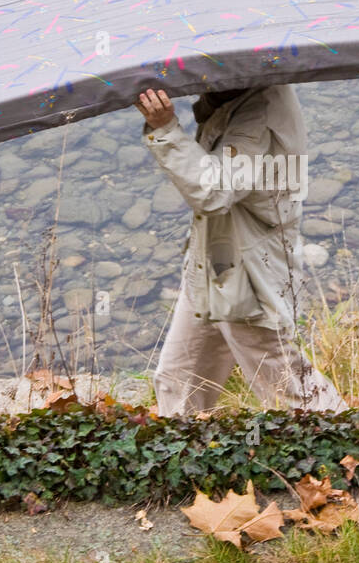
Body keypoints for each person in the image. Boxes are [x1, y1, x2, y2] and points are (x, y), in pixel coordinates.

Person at [135, 84, 346, 416]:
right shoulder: (238, 92)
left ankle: (354, 452)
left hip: (246, 274)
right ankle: (176, 456)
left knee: (292, 393)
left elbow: (214, 191)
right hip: (215, 262)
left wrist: (165, 130)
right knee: (179, 382)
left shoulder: (257, 113)